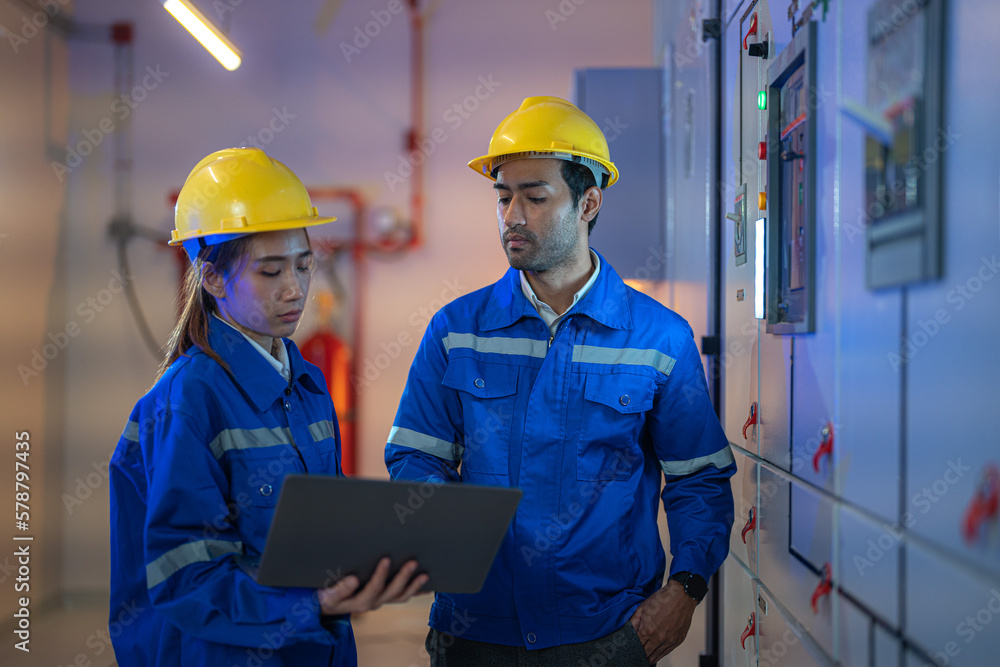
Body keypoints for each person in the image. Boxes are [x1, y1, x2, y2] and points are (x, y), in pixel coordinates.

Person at [385, 97, 736, 666]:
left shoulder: (658, 338)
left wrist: (686, 589)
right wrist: (454, 538)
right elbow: (415, 458)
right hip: (474, 631)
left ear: (589, 201)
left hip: (608, 632)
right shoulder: (457, 329)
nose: (512, 215)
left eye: (535, 197)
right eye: (503, 197)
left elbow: (699, 481)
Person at [109, 148, 426, 666]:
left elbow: (325, 524)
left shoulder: (307, 384)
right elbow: (184, 574)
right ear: (212, 278)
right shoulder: (188, 400)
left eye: (304, 266)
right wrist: (311, 603)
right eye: (271, 271)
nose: (294, 290)